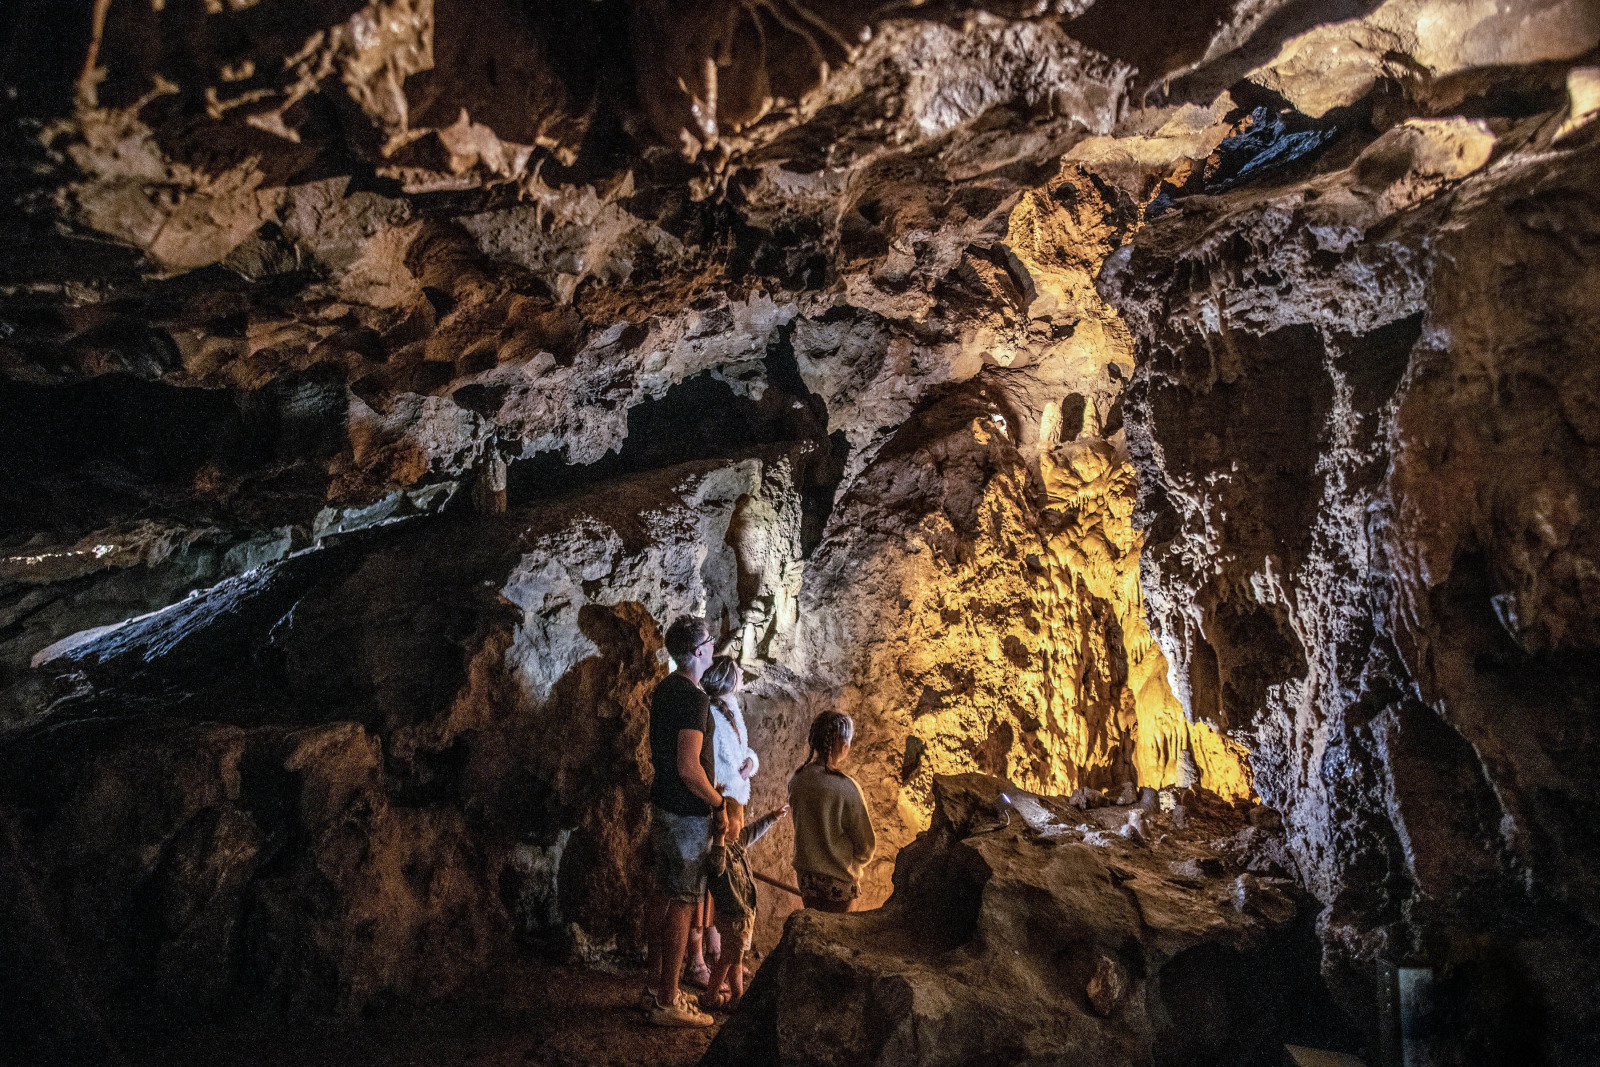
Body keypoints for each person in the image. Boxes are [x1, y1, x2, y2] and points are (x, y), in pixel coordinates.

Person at [642, 615, 724, 1028]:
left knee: (662, 894)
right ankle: (668, 999)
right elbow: (690, 768)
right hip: (687, 814)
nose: (714, 646)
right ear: (698, 651)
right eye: (710, 641)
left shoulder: (664, 688)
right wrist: (718, 802)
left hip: (662, 805)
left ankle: (655, 986)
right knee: (683, 901)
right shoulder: (694, 698)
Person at [703, 797, 787, 1010]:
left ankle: (729, 996)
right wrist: (719, 837)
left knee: (733, 957)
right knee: (729, 959)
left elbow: (753, 830)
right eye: (738, 819)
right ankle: (721, 996)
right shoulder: (718, 850)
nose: (742, 824)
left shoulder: (738, 844)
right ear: (725, 822)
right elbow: (716, 869)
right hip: (733, 916)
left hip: (743, 915)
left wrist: (773, 817)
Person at [788, 711, 876, 913]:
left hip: (807, 879)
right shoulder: (846, 787)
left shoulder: (798, 780)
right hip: (839, 879)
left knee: (813, 926)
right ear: (843, 746)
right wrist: (855, 862)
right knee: (836, 930)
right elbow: (865, 846)